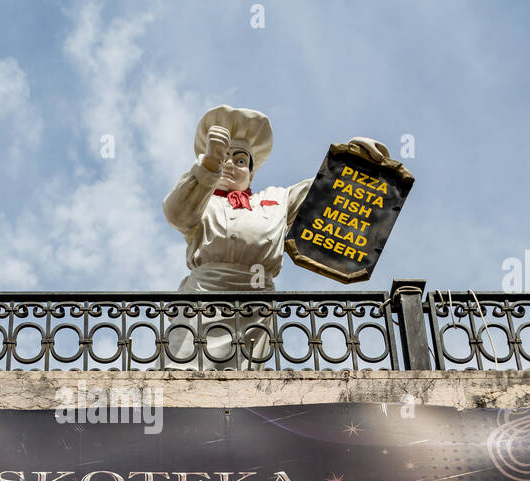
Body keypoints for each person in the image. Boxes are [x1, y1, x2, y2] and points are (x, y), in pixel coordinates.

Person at [162, 105, 389, 369]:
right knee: (185, 372)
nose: (230, 165)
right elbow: (175, 213)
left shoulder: (275, 199)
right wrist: (208, 165)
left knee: (244, 383)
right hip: (203, 300)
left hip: (255, 305)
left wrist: (358, 160)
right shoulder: (202, 200)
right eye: (224, 157)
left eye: (239, 161)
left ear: (250, 173)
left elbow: (322, 191)